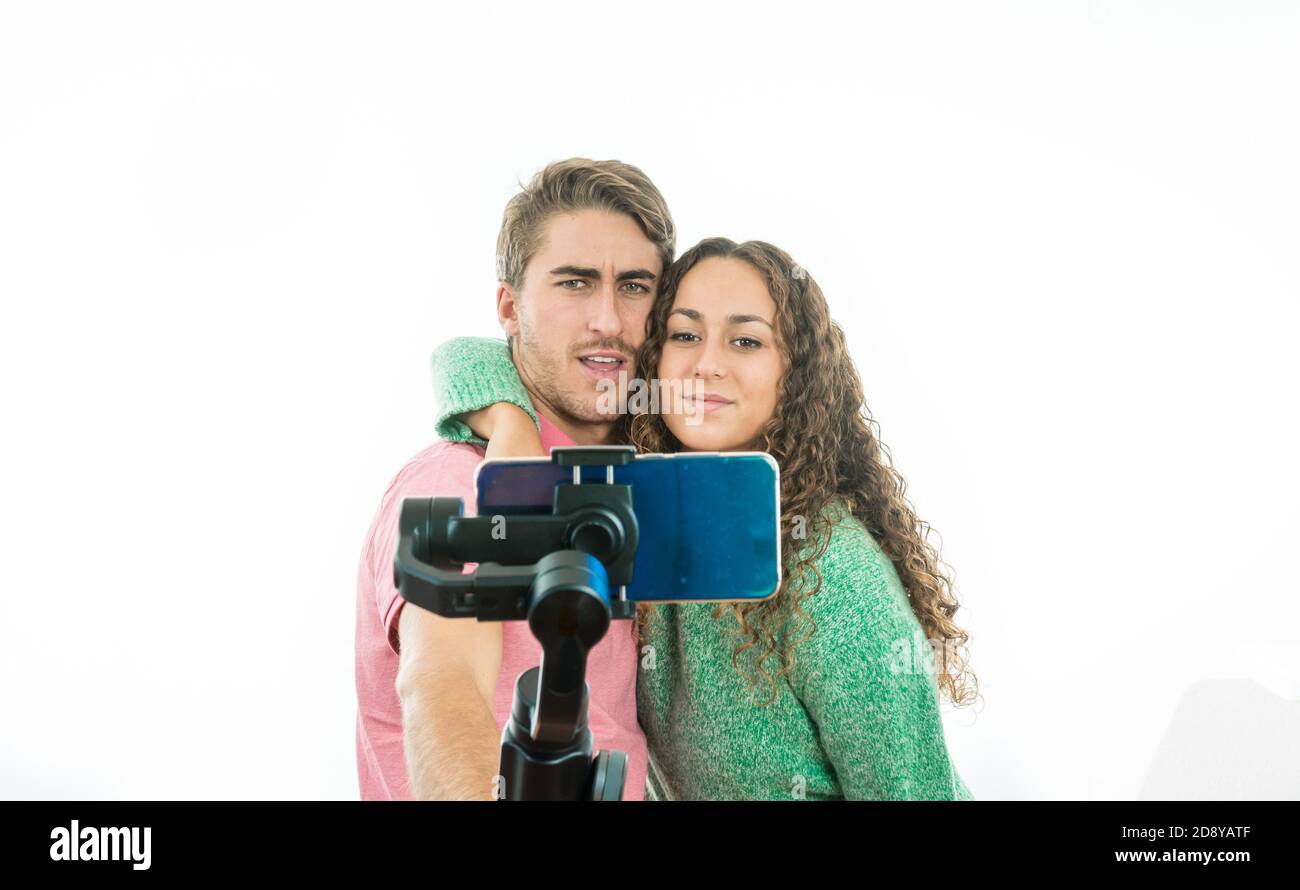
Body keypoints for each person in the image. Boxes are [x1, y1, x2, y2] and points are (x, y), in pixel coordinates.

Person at [429, 237, 980, 799]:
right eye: (685, 335)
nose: (707, 365)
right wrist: (510, 422)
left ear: (796, 373)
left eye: (746, 341)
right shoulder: (640, 492)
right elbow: (463, 355)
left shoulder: (830, 573)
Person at [354, 158, 676, 799]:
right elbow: (443, 686)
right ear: (508, 306)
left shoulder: (630, 494)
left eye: (635, 286)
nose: (608, 320)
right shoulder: (456, 482)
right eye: (575, 284)